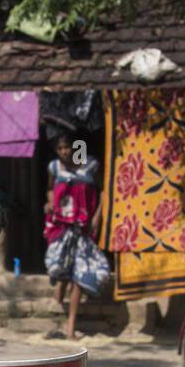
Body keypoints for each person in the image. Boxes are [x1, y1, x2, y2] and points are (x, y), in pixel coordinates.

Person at [43, 133, 111, 340]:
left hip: (83, 229)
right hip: (61, 227)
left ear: (75, 148)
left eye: (68, 147)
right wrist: (51, 204)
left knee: (78, 277)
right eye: (60, 148)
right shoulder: (55, 168)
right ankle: (58, 297)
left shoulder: (90, 166)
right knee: (61, 268)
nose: (64, 151)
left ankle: (70, 327)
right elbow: (49, 190)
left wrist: (98, 216)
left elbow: (102, 192)